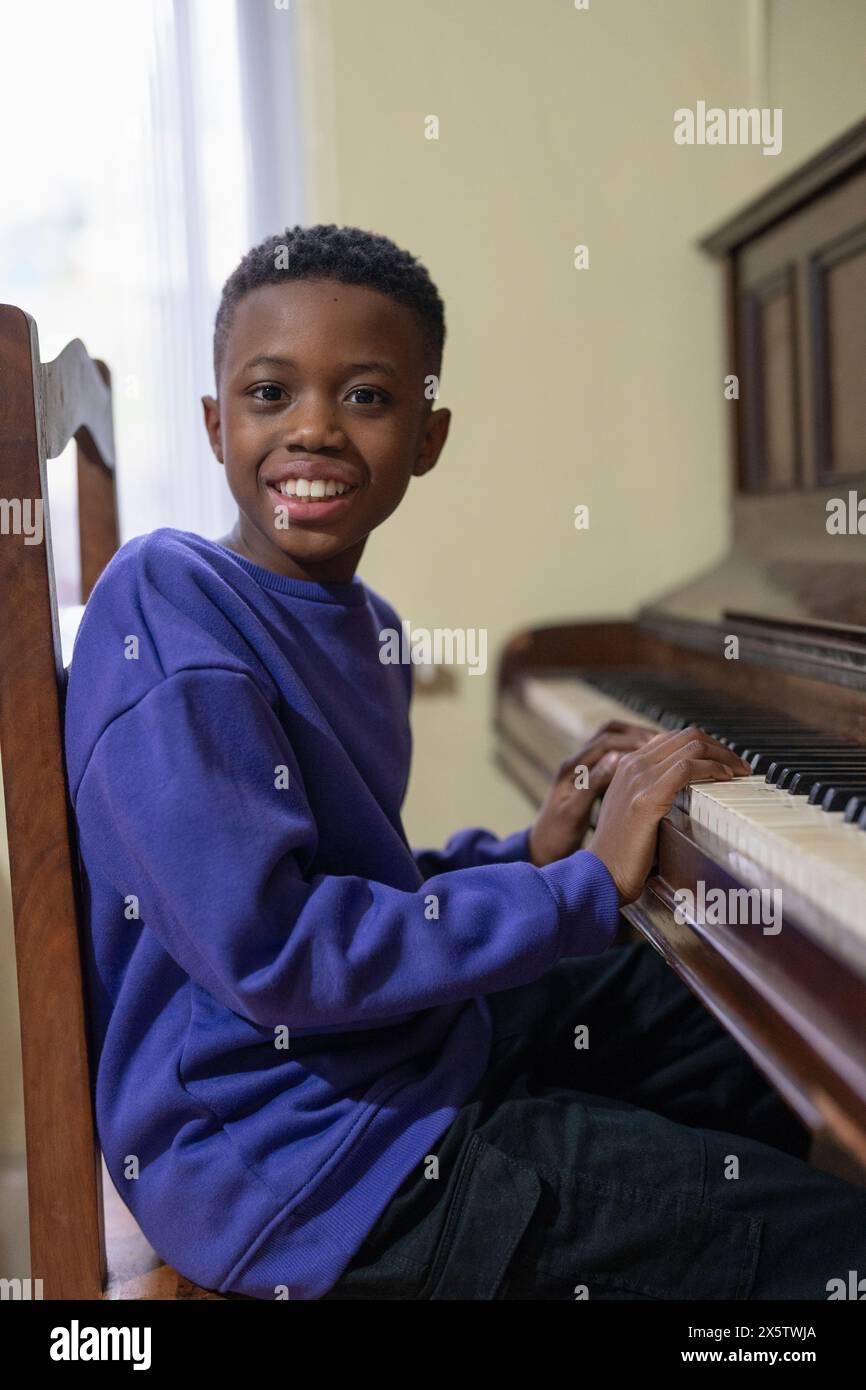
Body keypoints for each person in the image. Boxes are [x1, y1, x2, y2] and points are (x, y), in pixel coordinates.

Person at [64, 224, 866, 1300]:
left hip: (387, 1060)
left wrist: (526, 853)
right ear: (215, 424)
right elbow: (278, 957)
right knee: (826, 1246)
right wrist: (573, 889)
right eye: (269, 394)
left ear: (427, 435)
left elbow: (354, 892)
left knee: (728, 1020)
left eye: (364, 397)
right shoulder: (169, 607)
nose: (313, 429)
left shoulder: (366, 628)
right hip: (305, 1167)